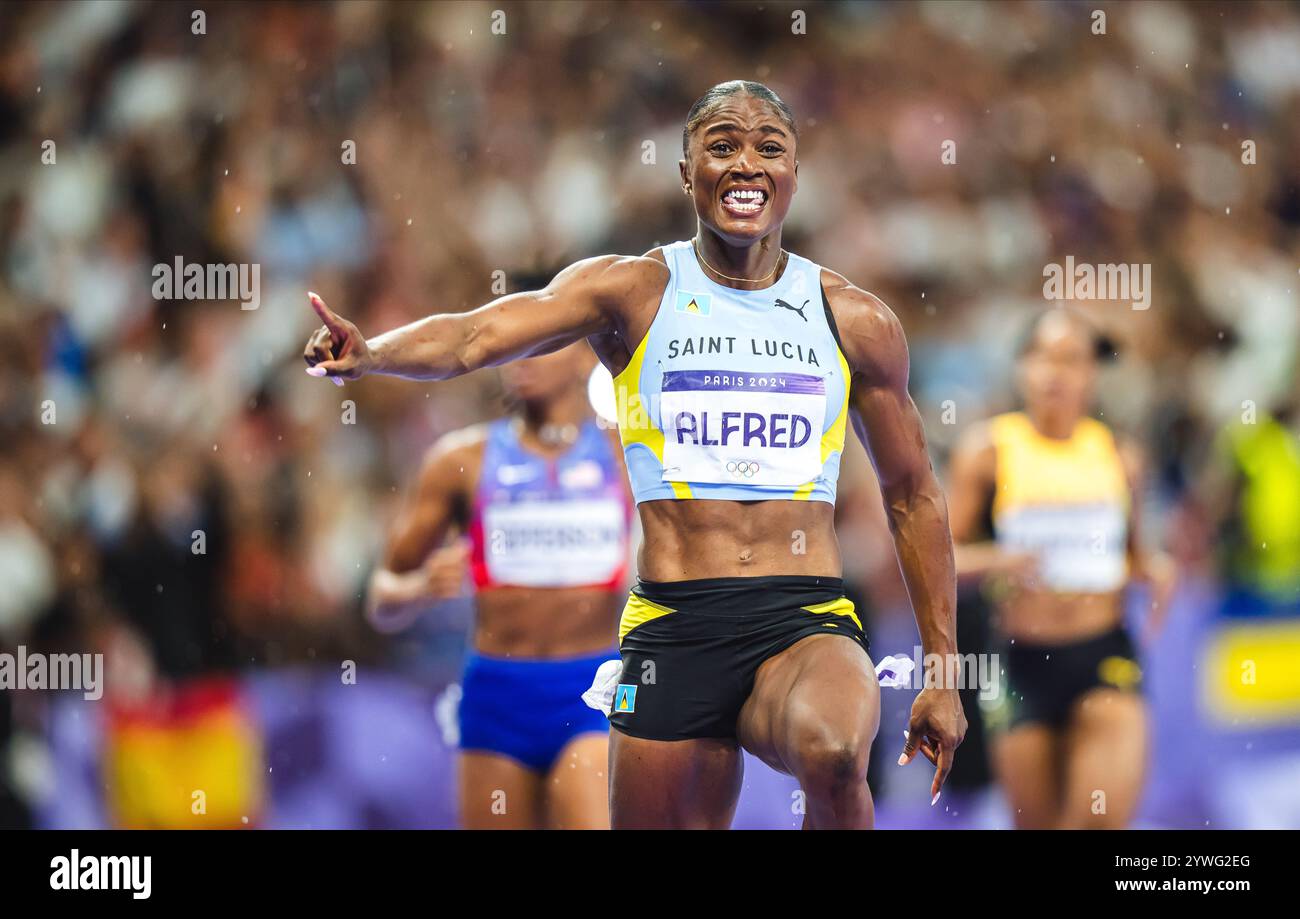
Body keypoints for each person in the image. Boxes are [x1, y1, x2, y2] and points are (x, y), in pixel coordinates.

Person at [304, 80, 964, 830]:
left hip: (801, 615)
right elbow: (475, 336)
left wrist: (942, 670)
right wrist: (373, 353)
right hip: (673, 625)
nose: (745, 163)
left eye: (768, 147)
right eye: (722, 146)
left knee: (837, 747)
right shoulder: (634, 292)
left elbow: (913, 494)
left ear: (793, 174)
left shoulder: (854, 319)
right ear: (687, 173)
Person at [366, 343, 632, 829]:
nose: (523, 359)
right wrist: (420, 586)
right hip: (496, 698)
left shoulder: (626, 455)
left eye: (545, 345)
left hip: (595, 690)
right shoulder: (459, 461)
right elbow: (381, 599)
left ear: (586, 356)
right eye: (514, 346)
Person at [946, 307, 1174, 829]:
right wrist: (1000, 559)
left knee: (1099, 822)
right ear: (1021, 367)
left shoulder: (1119, 455)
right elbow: (942, 556)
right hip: (1020, 662)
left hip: (1103, 655)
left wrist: (1157, 570)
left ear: (1092, 374)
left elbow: (1138, 555)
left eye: (1071, 361)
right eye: (1043, 358)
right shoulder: (987, 451)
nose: (1055, 374)